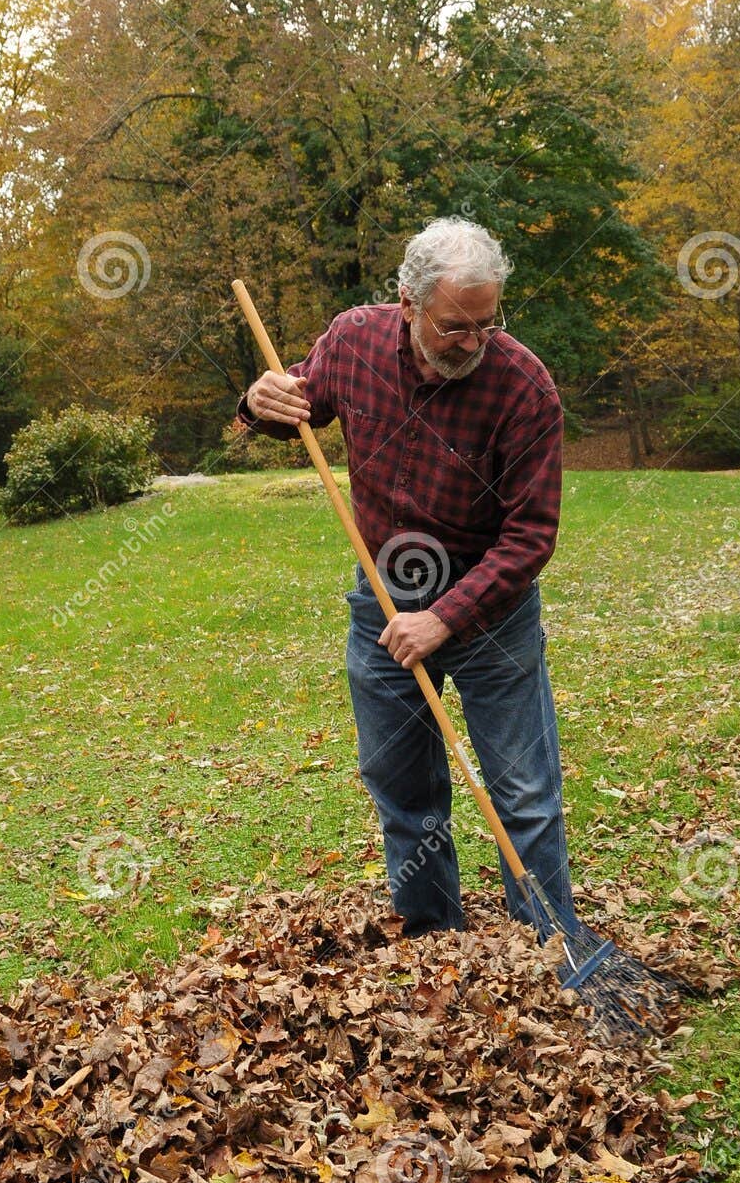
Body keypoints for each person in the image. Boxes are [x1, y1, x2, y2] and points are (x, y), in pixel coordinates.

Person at [237, 215, 579, 938]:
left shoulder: (523, 390)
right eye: (456, 326)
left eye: (488, 323)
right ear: (408, 302)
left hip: (491, 612)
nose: (475, 342)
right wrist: (257, 404)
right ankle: (431, 946)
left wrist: (445, 618)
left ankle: (551, 954)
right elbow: (296, 404)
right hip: (384, 599)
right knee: (403, 790)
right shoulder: (354, 340)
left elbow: (529, 538)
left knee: (522, 795)